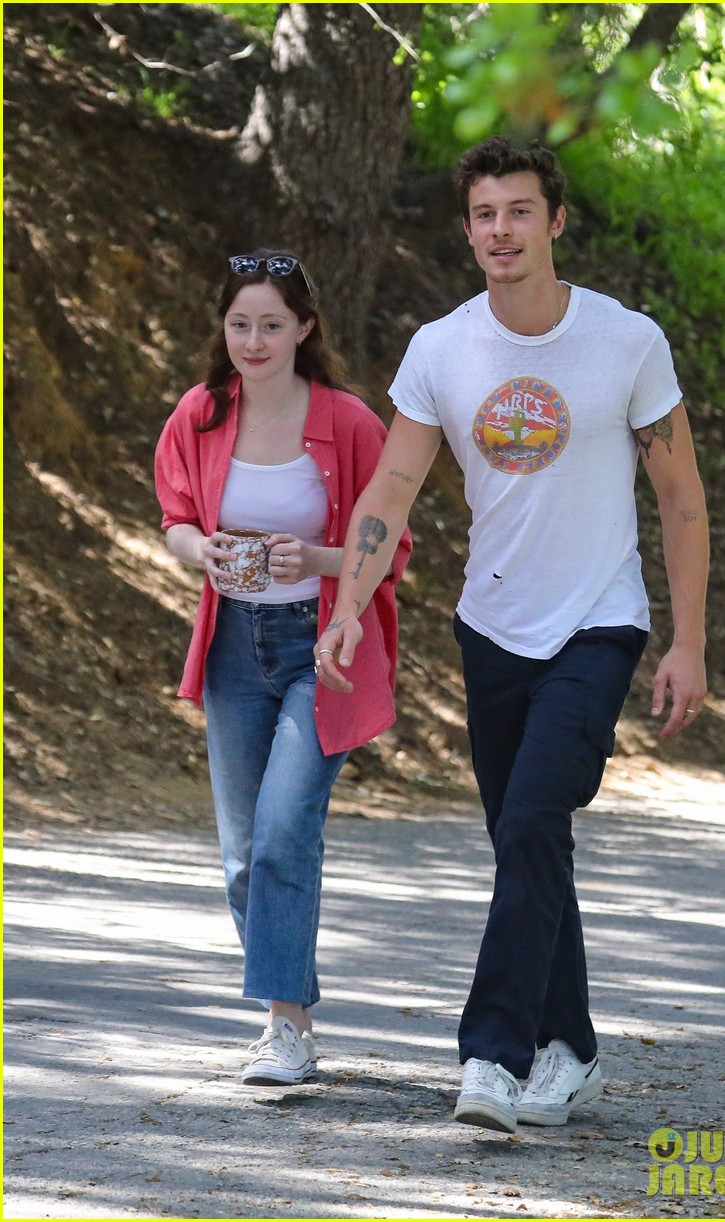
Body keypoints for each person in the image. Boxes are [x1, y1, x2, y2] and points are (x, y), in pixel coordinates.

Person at [314, 137, 709, 1134]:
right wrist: (352, 601)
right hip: (491, 626)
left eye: (519, 211)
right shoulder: (444, 348)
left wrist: (686, 641)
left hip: (597, 621)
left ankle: (490, 1053)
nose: (501, 229)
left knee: (532, 822)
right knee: (526, 841)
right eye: (485, 214)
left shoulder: (626, 342)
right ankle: (568, 1049)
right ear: (468, 229)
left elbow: (680, 499)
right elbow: (393, 485)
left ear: (555, 221)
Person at [154, 248, 411, 1088]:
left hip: (322, 646)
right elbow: (176, 519)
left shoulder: (348, 423)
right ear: (222, 329)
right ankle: (287, 1007)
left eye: (271, 324)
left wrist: (314, 557)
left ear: (304, 329)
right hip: (233, 645)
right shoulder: (199, 413)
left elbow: (391, 550)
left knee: (283, 832)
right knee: (240, 853)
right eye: (239, 324)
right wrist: (206, 551)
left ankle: (285, 1027)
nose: (253, 340)